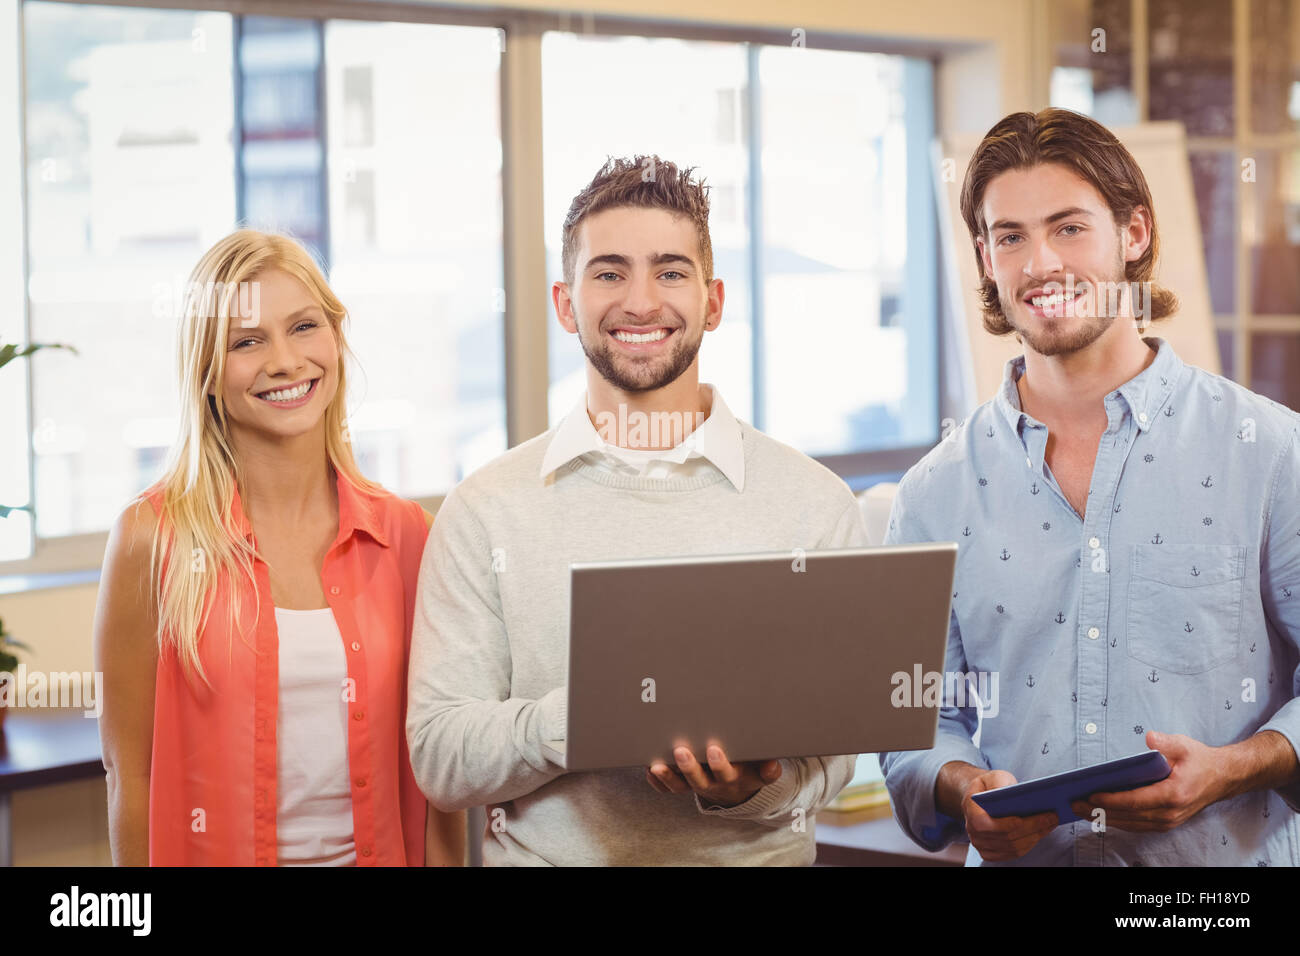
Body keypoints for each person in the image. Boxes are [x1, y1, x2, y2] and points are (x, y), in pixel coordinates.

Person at [406, 156, 864, 865]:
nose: (642, 303)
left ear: (713, 302)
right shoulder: (484, 510)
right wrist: (595, 713)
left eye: (671, 272)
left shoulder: (814, 504)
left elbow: (832, 764)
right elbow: (440, 759)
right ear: (566, 303)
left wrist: (748, 788)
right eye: (610, 272)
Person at [880, 108, 1300, 866]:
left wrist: (1234, 767)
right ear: (985, 256)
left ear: (1132, 233)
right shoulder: (930, 495)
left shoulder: (1270, 453)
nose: (1041, 263)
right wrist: (958, 784)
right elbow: (916, 718)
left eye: (1069, 227)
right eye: (1010, 236)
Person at [93, 229, 465, 865]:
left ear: (336, 341)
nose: (286, 362)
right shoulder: (151, 540)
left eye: (303, 327)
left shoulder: (408, 536)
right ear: (207, 372)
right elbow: (134, 781)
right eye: (247, 341)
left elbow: (436, 780)